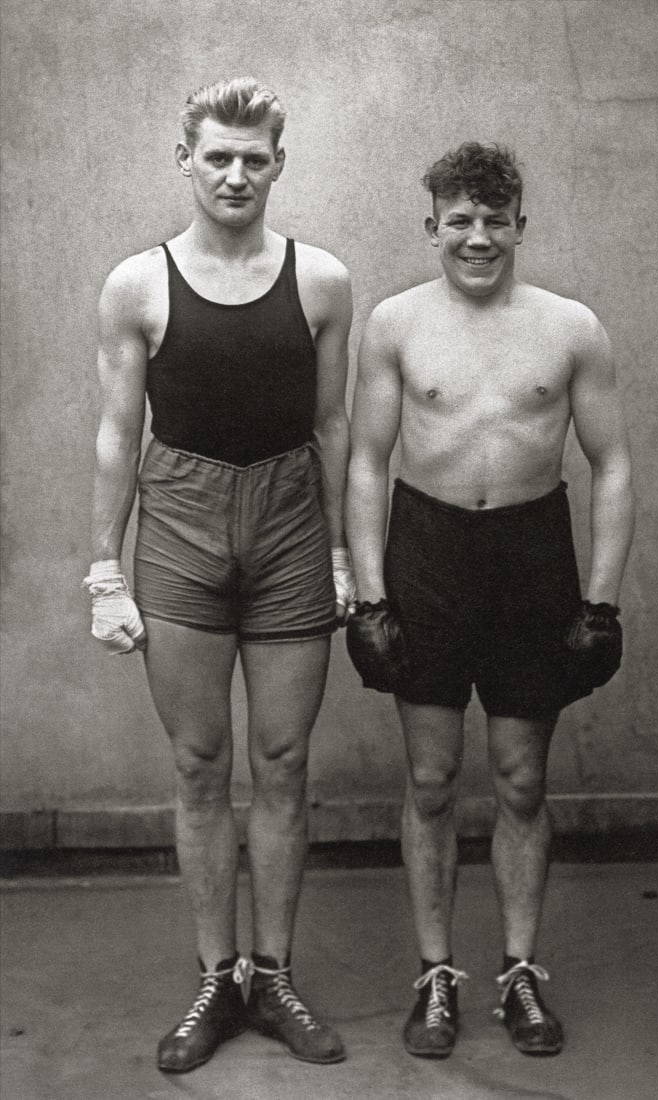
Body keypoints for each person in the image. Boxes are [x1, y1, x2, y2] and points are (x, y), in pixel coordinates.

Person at [83, 77, 356, 1073]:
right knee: (200, 765)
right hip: (183, 524)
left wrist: (340, 554)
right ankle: (215, 972)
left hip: (289, 524)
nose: (236, 173)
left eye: (254, 158)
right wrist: (103, 569)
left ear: (277, 165)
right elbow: (119, 432)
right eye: (218, 156)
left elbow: (334, 427)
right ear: (185, 160)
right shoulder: (137, 285)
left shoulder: (320, 279)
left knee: (282, 762)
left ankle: (271, 974)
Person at [345, 143, 634, 1059]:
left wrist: (602, 602)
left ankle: (518, 973)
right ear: (432, 225)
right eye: (459, 220)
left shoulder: (570, 327)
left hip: (530, 556)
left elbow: (613, 464)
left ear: (521, 224)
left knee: (521, 779)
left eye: (495, 220)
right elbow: (363, 463)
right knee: (430, 780)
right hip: (427, 553)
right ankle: (435, 975)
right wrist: (370, 596)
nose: (478, 237)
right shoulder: (394, 323)